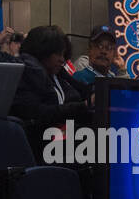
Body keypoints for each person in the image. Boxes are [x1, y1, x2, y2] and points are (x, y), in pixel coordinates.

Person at [10, 25, 93, 159]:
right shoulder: (27, 74)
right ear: (43, 51)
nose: (62, 59)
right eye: (58, 54)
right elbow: (37, 114)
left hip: (63, 138)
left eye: (63, 55)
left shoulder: (58, 75)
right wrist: (83, 106)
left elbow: (81, 93)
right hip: (42, 143)